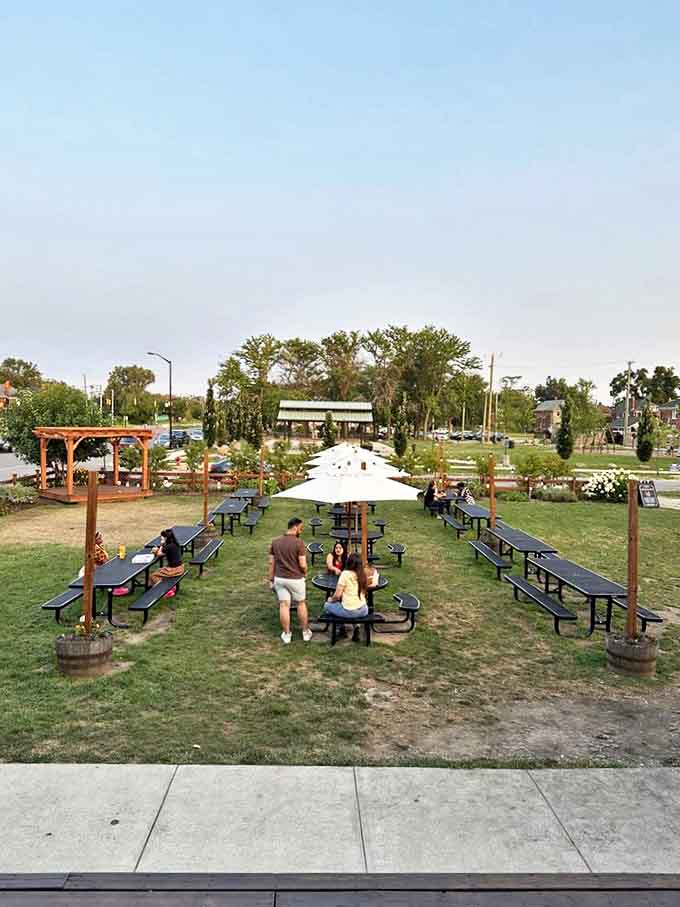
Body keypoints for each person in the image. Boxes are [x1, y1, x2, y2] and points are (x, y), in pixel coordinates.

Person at [269, 517, 312, 644]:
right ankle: (305, 632)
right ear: (295, 527)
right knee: (301, 603)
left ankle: (287, 634)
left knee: (284, 605)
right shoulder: (299, 543)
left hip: (280, 578)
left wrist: (270, 579)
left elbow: (271, 562)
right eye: (301, 528)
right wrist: (305, 573)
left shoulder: (275, 542)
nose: (301, 530)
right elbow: (303, 564)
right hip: (295, 579)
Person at [323, 552, 369, 627]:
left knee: (327, 605)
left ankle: (340, 628)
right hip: (363, 609)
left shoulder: (345, 574)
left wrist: (330, 600)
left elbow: (337, 596)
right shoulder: (363, 574)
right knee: (340, 605)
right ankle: (356, 626)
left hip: (349, 611)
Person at [150, 528, 184, 597]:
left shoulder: (168, 546)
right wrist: (159, 549)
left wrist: (162, 544)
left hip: (174, 570)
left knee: (153, 576)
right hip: (180, 568)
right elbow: (163, 552)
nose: (161, 539)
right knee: (160, 571)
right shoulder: (175, 544)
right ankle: (170, 587)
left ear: (166, 538)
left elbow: (159, 554)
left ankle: (166, 591)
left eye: (162, 538)